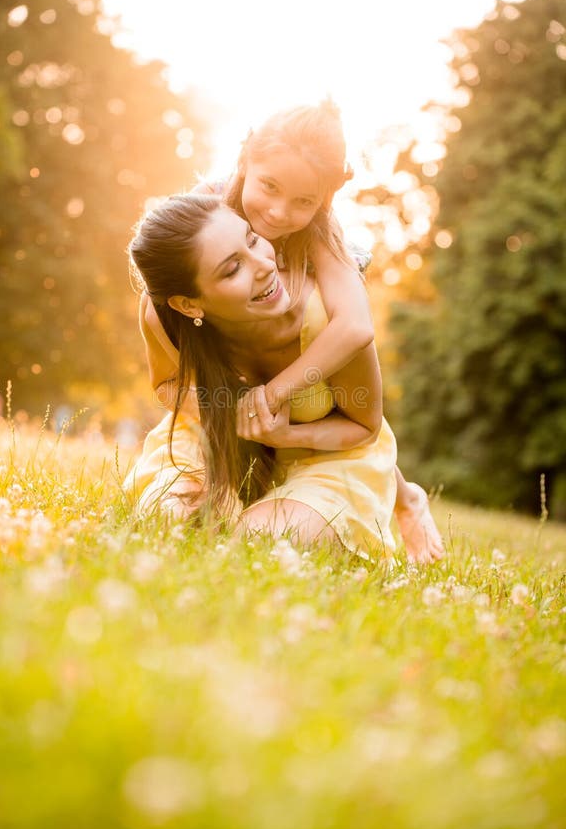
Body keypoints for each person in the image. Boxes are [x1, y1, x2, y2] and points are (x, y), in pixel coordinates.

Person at [138, 101, 444, 562]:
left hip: (317, 420)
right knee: (177, 529)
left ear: (324, 197)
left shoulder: (320, 236)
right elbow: (168, 363)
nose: (278, 214)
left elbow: (356, 329)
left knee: (330, 388)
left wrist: (272, 395)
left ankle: (405, 497)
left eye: (304, 200)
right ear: (243, 161)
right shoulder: (210, 209)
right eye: (269, 188)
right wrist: (228, 410)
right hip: (235, 403)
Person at [126, 194, 398, 559]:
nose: (264, 265)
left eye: (252, 239)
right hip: (216, 441)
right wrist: (227, 412)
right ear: (188, 304)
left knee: (260, 543)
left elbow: (365, 428)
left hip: (328, 457)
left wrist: (285, 435)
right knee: (170, 523)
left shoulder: (326, 317)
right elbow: (166, 385)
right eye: (231, 268)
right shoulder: (163, 316)